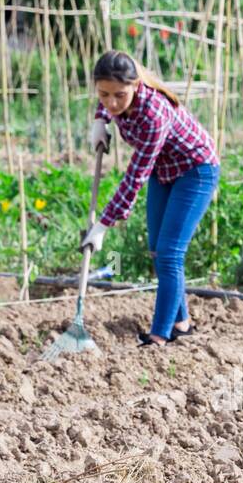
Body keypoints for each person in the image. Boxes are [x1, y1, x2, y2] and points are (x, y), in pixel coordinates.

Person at [82, 50, 220, 346]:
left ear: (136, 85)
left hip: (196, 170)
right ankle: (181, 324)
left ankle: (159, 336)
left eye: (120, 95)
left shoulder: (154, 113)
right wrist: (99, 120)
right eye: (103, 94)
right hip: (165, 170)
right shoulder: (114, 99)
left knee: (170, 253)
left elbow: (134, 178)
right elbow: (108, 101)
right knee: (158, 250)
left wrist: (103, 226)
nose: (112, 102)